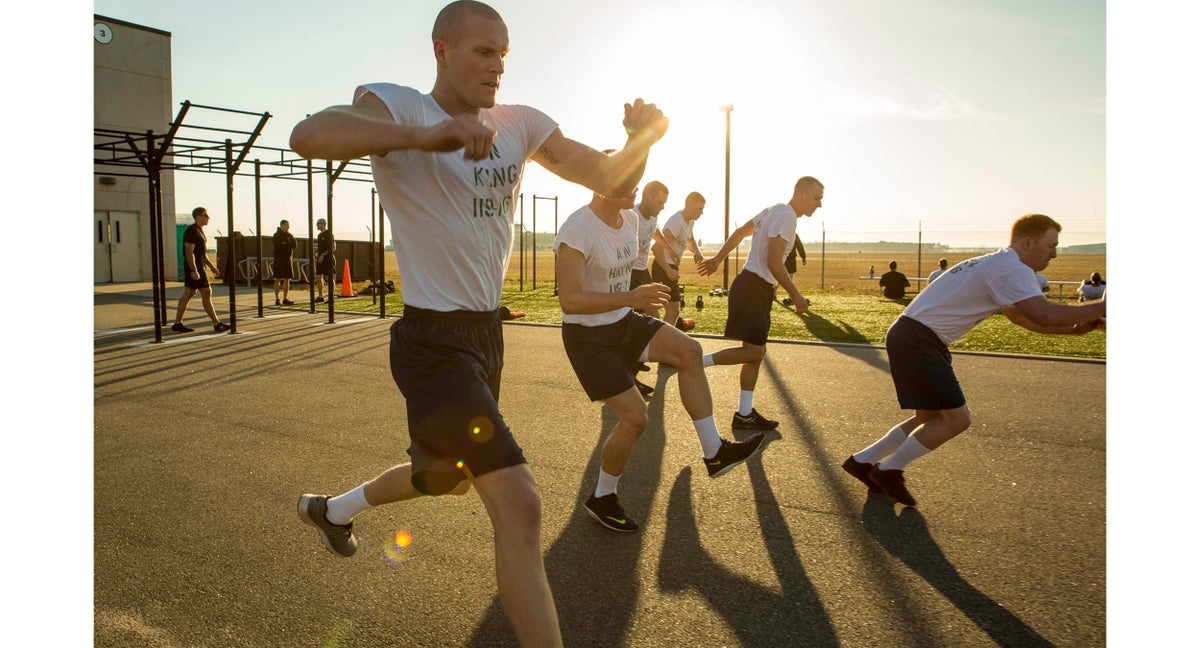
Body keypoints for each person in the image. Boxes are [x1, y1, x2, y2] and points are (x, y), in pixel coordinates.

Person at [288, 3, 668, 645]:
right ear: (442, 50)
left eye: (504, 54)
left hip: (484, 337)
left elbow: (601, 174)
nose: (496, 67)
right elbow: (309, 136)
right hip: (432, 341)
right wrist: (423, 138)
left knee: (449, 479)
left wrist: (641, 141)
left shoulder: (520, 123)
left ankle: (332, 510)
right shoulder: (401, 106)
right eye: (482, 52)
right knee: (519, 504)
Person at [841, 214, 1106, 508]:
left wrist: (1078, 327)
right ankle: (889, 470)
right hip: (919, 339)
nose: (1055, 254)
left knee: (929, 418)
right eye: (1051, 245)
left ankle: (862, 461)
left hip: (914, 335)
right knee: (957, 419)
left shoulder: (1000, 263)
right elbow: (1043, 313)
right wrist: (1103, 306)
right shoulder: (1012, 269)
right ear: (1028, 242)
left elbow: (1023, 318)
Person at [553, 181, 766, 533]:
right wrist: (630, 298)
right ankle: (603, 496)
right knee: (636, 420)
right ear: (600, 183)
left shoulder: (632, 220)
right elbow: (570, 300)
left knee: (689, 350)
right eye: (628, 183)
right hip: (588, 338)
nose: (635, 190)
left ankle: (714, 451)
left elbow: (632, 271)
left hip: (622, 321)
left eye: (637, 182)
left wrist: (648, 288)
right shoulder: (577, 229)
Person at [697, 176, 824, 431]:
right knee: (754, 353)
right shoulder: (788, 216)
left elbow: (741, 232)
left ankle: (744, 414)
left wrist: (718, 259)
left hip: (753, 286)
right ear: (801, 195)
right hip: (753, 287)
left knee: (755, 354)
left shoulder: (772, 210)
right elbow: (773, 261)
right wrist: (796, 295)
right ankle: (696, 362)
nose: (819, 204)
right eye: (817, 198)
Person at [653, 192, 707, 332]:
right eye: (699, 209)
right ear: (688, 205)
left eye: (702, 209)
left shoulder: (689, 221)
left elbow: (690, 239)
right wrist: (667, 269)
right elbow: (657, 247)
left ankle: (661, 341)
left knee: (667, 311)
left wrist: (697, 252)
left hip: (670, 268)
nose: (701, 212)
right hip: (663, 266)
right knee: (673, 311)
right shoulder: (676, 222)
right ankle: (663, 343)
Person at [171, 207, 230, 333]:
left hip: (198, 266)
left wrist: (212, 266)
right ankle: (216, 323)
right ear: (198, 216)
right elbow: (189, 252)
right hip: (194, 267)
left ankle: (177, 323)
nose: (208, 218)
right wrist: (193, 270)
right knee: (206, 292)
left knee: (189, 293)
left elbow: (202, 254)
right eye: (205, 215)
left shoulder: (199, 231)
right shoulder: (192, 231)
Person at [272, 220, 297, 305]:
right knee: (278, 278)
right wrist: (286, 244)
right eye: (287, 225)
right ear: (282, 225)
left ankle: (285, 298)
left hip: (287, 259)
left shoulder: (289, 235)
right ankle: (277, 298)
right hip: (279, 259)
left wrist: (289, 240)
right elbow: (279, 246)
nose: (288, 227)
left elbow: (295, 245)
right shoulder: (277, 235)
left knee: (287, 278)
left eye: (288, 225)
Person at [314, 218, 335, 303]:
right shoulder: (319, 236)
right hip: (320, 259)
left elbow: (332, 248)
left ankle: (331, 297)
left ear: (323, 224)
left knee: (328, 277)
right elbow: (321, 247)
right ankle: (320, 296)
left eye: (319, 223)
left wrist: (323, 255)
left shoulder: (329, 234)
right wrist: (316, 251)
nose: (317, 225)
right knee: (319, 277)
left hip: (327, 258)